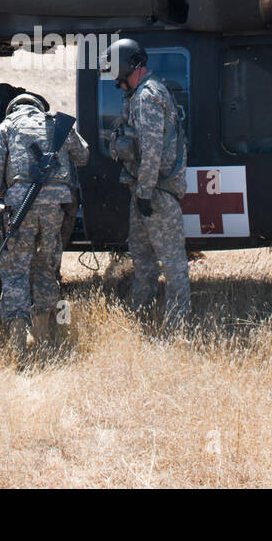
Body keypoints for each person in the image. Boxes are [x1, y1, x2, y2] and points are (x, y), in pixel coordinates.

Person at [0, 93, 88, 358]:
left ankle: (16, 344)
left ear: (12, 109)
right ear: (38, 108)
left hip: (19, 209)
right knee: (46, 268)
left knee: (15, 272)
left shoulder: (5, 127)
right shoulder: (56, 124)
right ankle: (44, 336)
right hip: (54, 208)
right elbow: (83, 155)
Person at [103, 39, 190, 327]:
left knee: (173, 262)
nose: (118, 83)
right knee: (142, 258)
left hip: (155, 194)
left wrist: (144, 192)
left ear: (129, 68)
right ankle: (142, 315)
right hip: (144, 191)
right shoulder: (141, 94)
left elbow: (150, 149)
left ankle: (177, 324)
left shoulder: (147, 96)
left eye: (119, 76)